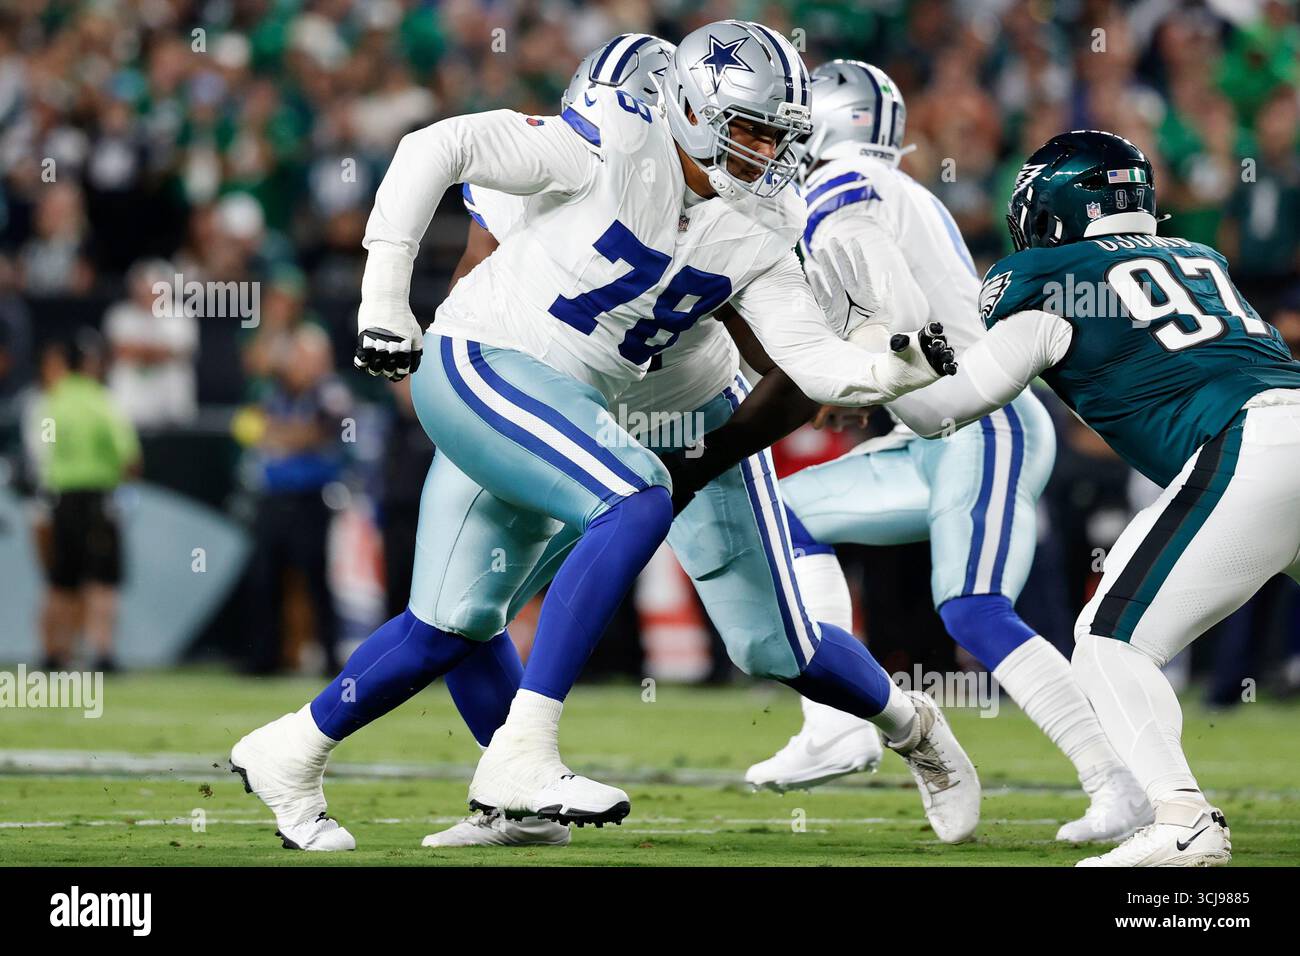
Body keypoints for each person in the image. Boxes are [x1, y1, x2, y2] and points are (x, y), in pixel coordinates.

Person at [229, 21, 955, 852]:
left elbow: (810, 363)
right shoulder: (609, 139)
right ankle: (523, 757)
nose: (768, 151)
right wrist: (383, 300)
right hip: (484, 362)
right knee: (636, 493)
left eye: (780, 134)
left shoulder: (767, 216)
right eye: (750, 128)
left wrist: (899, 369)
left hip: (571, 399)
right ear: (684, 109)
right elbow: (438, 144)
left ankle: (293, 751)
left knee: (453, 622)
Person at [425, 39, 980, 849]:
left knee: (770, 640)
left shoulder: (731, 209)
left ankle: (913, 725)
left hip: (690, 415)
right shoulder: (551, 167)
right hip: (580, 412)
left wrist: (702, 461)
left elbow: (794, 371)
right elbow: (469, 290)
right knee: (468, 607)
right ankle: (514, 794)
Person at [673, 61, 1150, 845]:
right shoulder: (898, 190)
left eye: (792, 129)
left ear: (827, 127)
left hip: (985, 424)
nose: (778, 148)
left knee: (974, 610)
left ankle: (1118, 782)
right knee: (786, 516)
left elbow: (855, 244)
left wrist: (871, 350)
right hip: (930, 435)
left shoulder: (847, 185)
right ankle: (836, 725)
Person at [828, 129, 1300, 866]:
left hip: (1251, 445)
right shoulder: (1201, 260)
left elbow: (940, 413)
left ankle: (1181, 818)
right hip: (1282, 420)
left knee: (1112, 641)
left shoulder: (1045, 278)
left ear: (1050, 206)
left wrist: (874, 359)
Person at [29, 331, 140, 672]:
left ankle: (52, 653)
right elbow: (128, 454)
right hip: (97, 499)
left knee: (60, 581)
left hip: (60, 499)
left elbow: (39, 451)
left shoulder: (51, 399)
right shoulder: (102, 400)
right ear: (91, 363)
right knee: (102, 581)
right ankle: (103, 653)